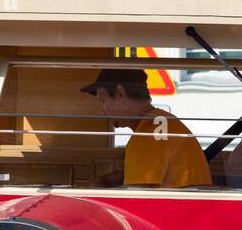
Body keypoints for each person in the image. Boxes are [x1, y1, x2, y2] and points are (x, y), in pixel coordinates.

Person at [82, 69, 212, 188]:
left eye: (103, 101)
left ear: (120, 94)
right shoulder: (164, 122)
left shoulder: (146, 136)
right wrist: (124, 176)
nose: (102, 111)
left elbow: (138, 198)